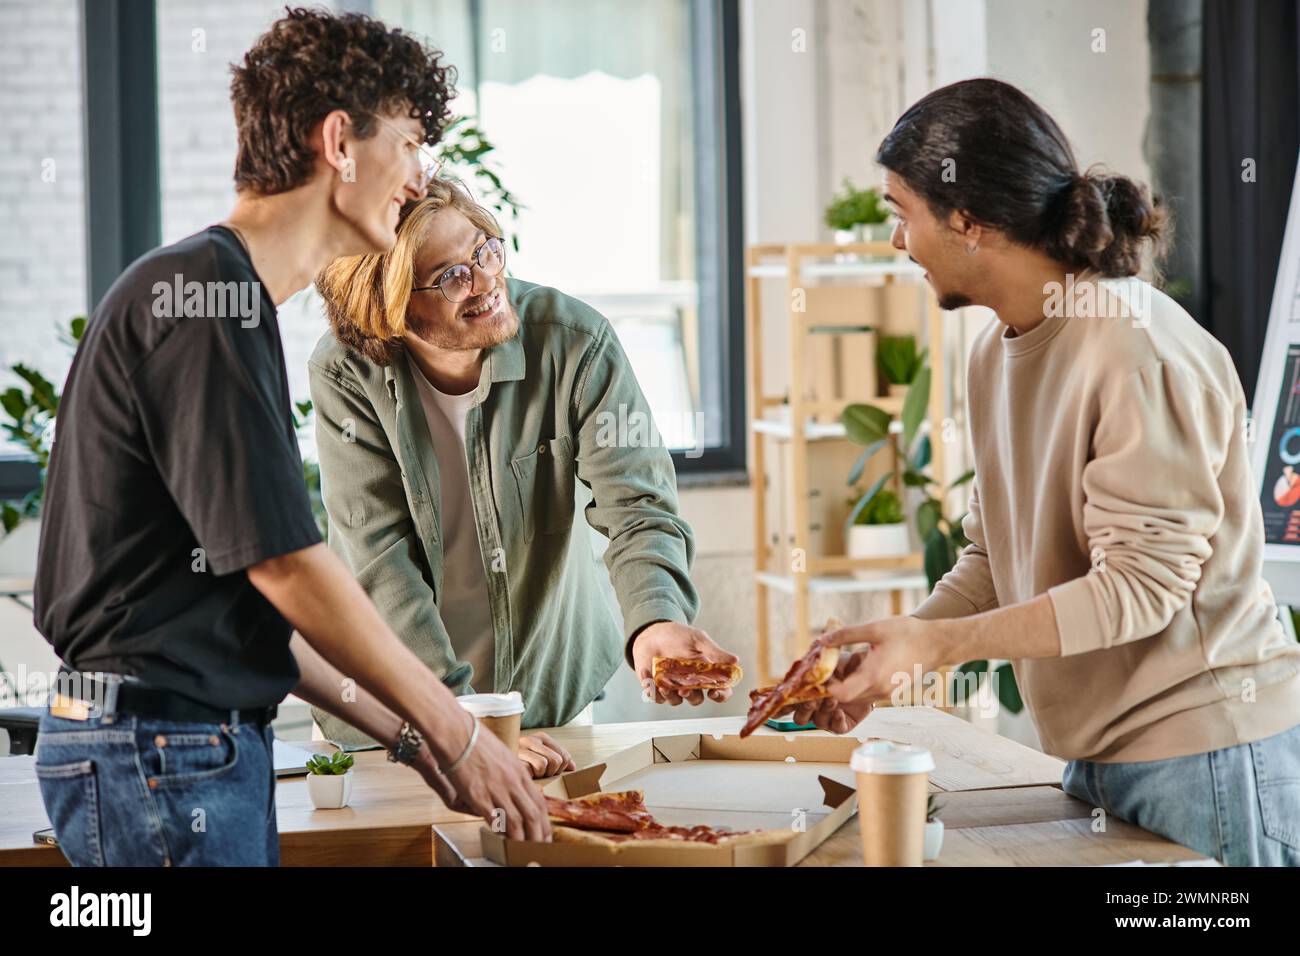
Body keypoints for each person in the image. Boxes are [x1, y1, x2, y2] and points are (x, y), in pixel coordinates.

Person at [32, 8, 549, 867]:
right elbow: (289, 567)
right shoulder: (204, 298)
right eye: (412, 141)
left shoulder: (223, 298)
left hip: (171, 751)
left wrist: (418, 740)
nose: (419, 177)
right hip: (162, 753)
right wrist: (457, 732)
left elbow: (250, 600)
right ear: (340, 142)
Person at [799, 78, 1300, 866]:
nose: (897, 241)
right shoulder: (995, 353)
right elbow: (998, 558)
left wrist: (938, 648)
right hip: (1100, 760)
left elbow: (1140, 586)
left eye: (903, 213)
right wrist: (895, 650)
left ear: (967, 221)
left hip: (1207, 755)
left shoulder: (1134, 351)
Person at [308, 181, 739, 771]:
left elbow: (637, 504)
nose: (486, 281)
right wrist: (457, 720)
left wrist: (655, 620)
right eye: (452, 276)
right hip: (396, 709)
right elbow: (382, 561)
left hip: (543, 700)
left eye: (485, 250)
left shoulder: (576, 343)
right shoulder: (345, 374)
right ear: (389, 306)